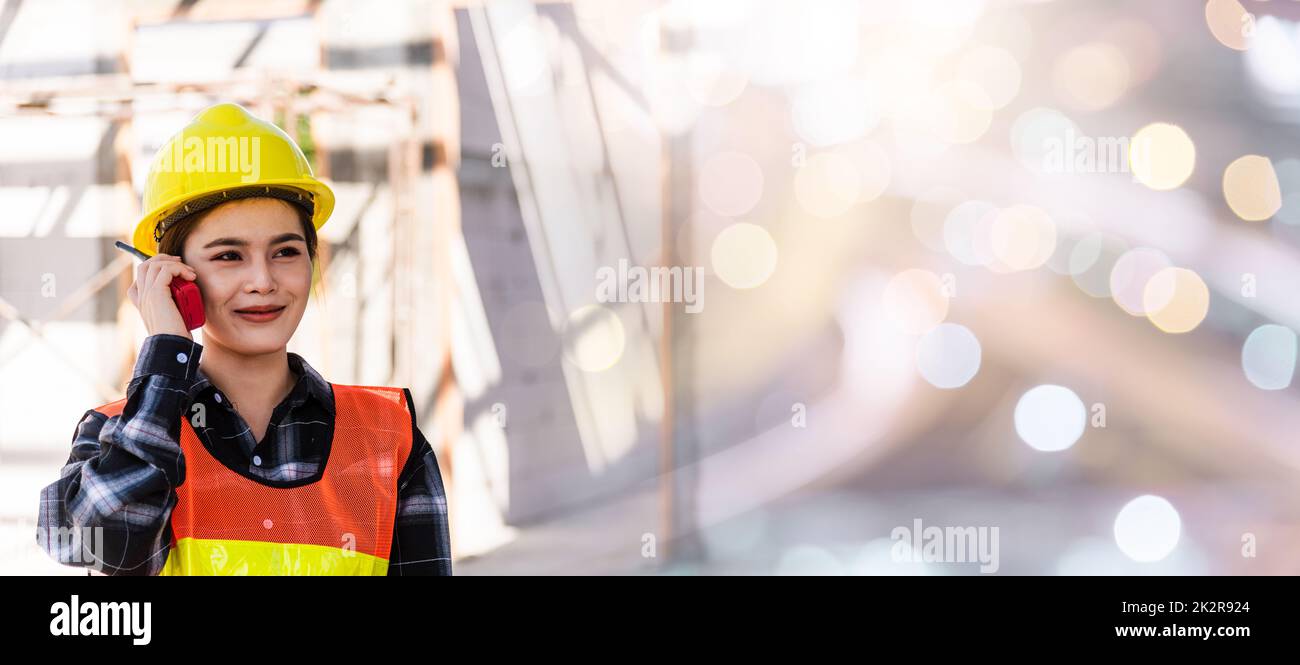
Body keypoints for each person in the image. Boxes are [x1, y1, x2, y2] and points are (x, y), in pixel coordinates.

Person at [36, 102, 451, 575]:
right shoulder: (114, 435)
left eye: (286, 252)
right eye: (229, 255)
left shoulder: (387, 437)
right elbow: (102, 542)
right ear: (176, 278)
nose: (263, 280)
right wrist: (166, 355)